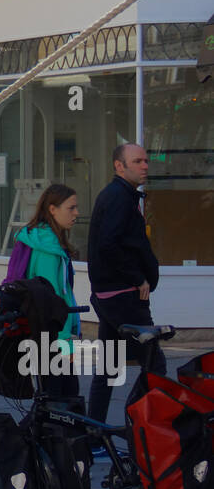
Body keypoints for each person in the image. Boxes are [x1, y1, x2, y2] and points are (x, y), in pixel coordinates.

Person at [87, 142, 165, 424]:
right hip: (124, 297)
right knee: (155, 366)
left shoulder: (121, 195)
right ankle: (145, 428)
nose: (145, 166)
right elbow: (108, 244)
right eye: (137, 162)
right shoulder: (119, 197)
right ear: (119, 166)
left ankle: (93, 435)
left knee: (108, 369)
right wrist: (138, 278)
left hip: (112, 295)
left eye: (145, 161)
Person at [13, 184, 81, 398]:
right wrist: (65, 344)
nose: (76, 213)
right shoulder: (49, 249)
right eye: (71, 208)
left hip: (40, 332)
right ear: (53, 209)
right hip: (52, 336)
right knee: (63, 399)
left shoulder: (39, 239)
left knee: (52, 396)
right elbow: (54, 301)